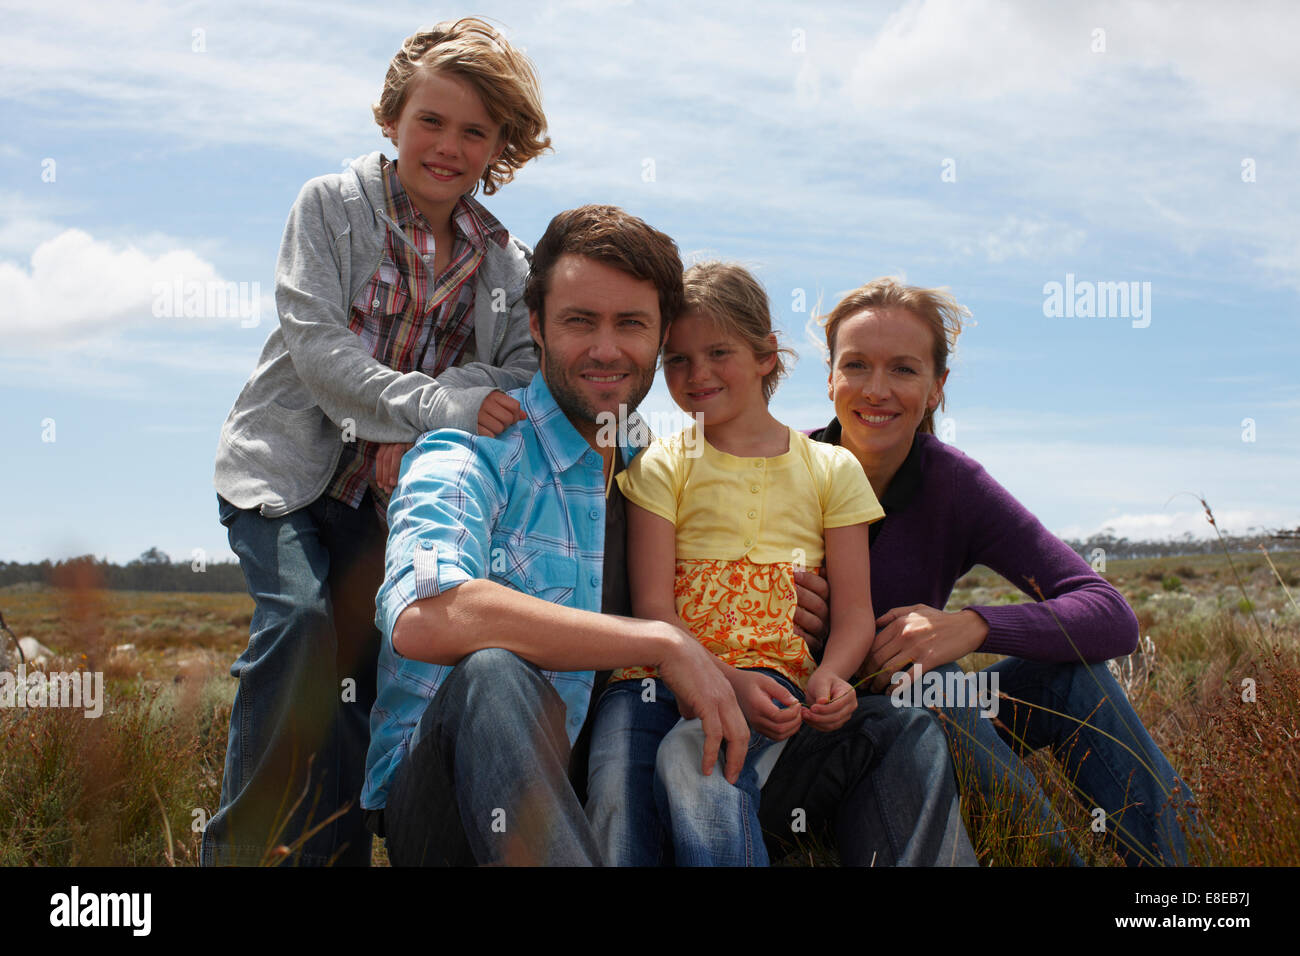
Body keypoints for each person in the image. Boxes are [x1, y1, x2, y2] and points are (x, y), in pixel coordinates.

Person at [362, 208, 973, 867]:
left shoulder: (642, 466)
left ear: (657, 339)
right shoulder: (468, 448)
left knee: (898, 732)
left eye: (631, 324)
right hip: (455, 805)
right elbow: (428, 615)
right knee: (493, 670)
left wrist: (804, 640)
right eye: (579, 321)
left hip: (607, 781)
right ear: (536, 326)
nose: (605, 348)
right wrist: (665, 643)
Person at [204, 19, 550, 866]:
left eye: (476, 131)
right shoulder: (329, 206)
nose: (449, 145)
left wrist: (436, 416)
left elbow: (520, 368)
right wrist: (436, 407)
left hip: (387, 498)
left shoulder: (505, 263)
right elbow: (323, 355)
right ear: (393, 115)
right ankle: (240, 850)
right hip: (282, 476)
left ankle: (335, 851)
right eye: (431, 120)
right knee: (301, 629)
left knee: (366, 673)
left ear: (500, 145)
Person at [772, 275, 1197, 866]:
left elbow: (1111, 615)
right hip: (804, 743)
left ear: (937, 386)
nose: (876, 390)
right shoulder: (779, 472)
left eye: (903, 369)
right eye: (856, 365)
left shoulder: (952, 483)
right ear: (829, 379)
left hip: (925, 721)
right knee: (930, 685)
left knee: (1069, 680)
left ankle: (1194, 886)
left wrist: (970, 626)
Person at [591, 262, 882, 866]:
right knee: (615, 789)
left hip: (766, 673)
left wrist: (832, 675)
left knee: (699, 756)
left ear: (766, 355)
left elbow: (855, 612)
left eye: (718, 352)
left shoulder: (832, 469)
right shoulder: (661, 465)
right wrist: (713, 675)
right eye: (676, 359)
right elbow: (652, 609)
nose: (696, 374)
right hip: (651, 672)